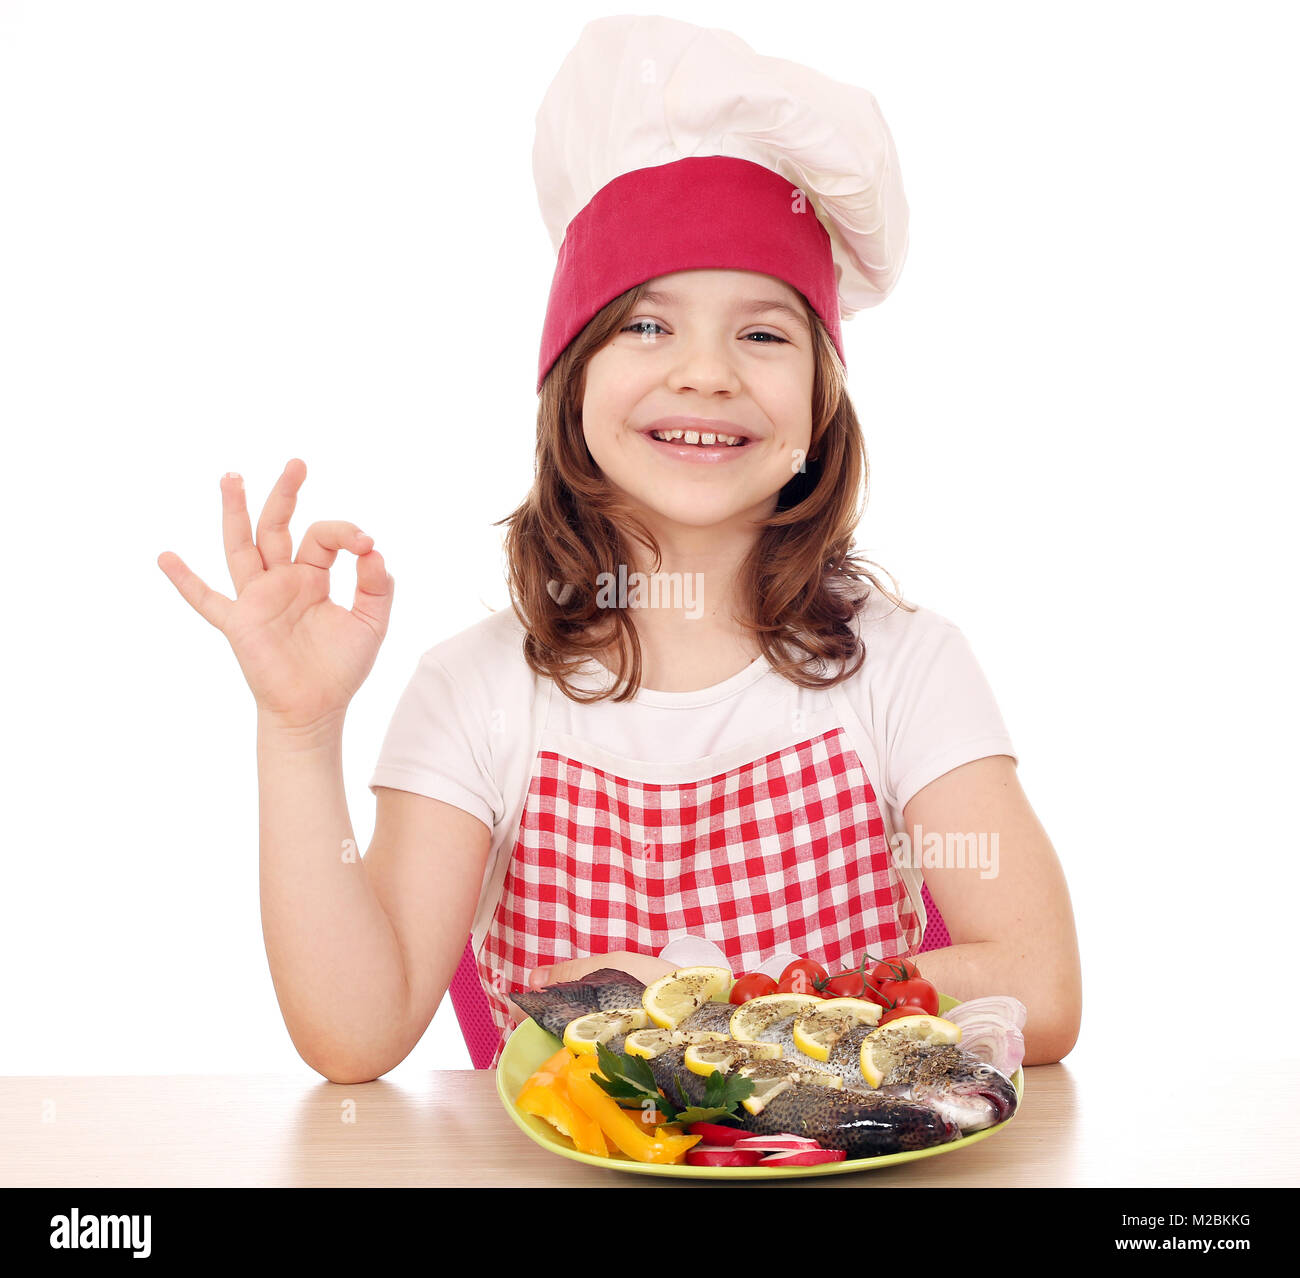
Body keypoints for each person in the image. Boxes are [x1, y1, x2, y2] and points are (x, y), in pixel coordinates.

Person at [157, 16, 1080, 1081]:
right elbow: (355, 1036)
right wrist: (300, 731)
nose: (704, 372)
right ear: (571, 383)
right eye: (645, 325)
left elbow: (1039, 985)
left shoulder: (906, 668)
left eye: (764, 332)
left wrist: (711, 1006)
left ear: (821, 408)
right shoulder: (474, 693)